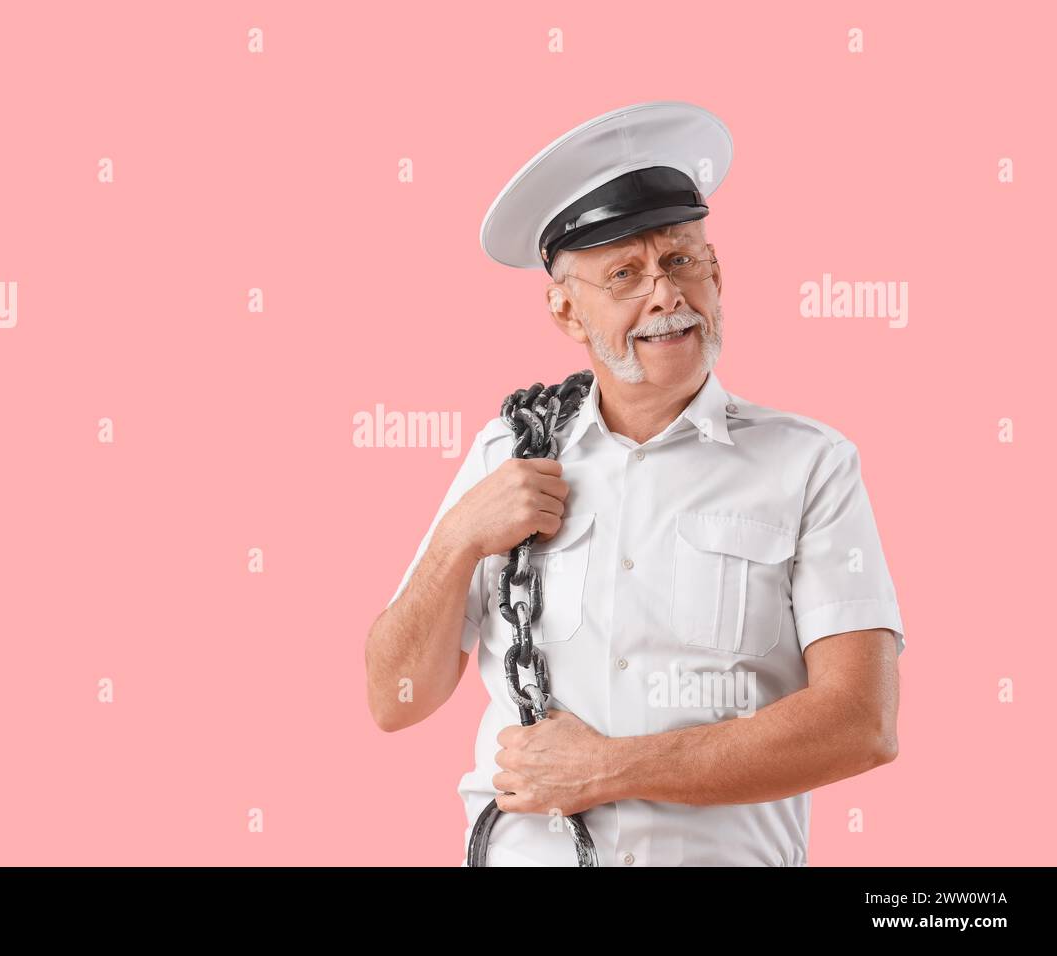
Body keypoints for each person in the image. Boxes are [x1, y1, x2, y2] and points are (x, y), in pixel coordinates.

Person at [364, 102, 904, 866]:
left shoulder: (811, 464)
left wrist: (606, 770)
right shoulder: (506, 456)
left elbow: (860, 723)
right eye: (625, 274)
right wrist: (457, 540)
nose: (665, 295)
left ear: (717, 274)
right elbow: (396, 701)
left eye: (682, 261)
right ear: (564, 310)